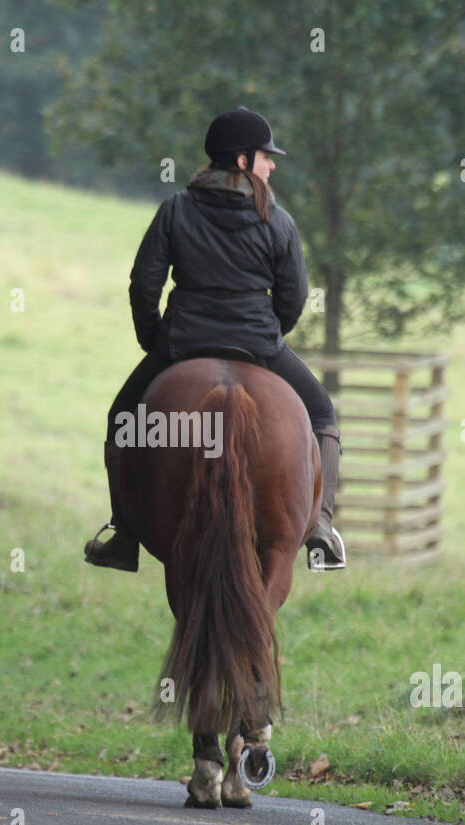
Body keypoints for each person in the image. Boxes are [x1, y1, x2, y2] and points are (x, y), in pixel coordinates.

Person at [84, 107, 345, 573]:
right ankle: (322, 527)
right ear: (242, 161)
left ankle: (123, 533)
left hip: (182, 344)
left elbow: (144, 283)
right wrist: (268, 337)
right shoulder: (278, 220)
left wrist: (155, 342)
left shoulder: (175, 209)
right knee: (323, 414)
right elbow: (294, 296)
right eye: (266, 156)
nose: (272, 165)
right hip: (259, 346)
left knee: (123, 417)